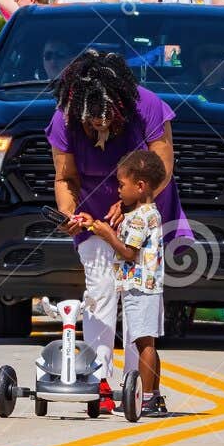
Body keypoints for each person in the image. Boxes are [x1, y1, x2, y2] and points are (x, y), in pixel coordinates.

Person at [52, 49, 181, 395]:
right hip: (93, 215)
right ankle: (101, 380)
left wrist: (129, 205)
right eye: (92, 120)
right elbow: (65, 179)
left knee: (137, 301)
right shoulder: (64, 118)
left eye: (108, 117)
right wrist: (70, 215)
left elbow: (163, 168)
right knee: (100, 290)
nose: (100, 125)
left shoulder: (148, 106)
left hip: (142, 208)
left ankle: (142, 391)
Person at [85, 149, 168, 418]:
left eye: (122, 185)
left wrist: (108, 235)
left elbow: (128, 252)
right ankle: (152, 398)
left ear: (140, 186)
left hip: (141, 288)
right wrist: (94, 226)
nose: (118, 191)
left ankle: (145, 398)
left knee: (144, 343)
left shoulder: (143, 215)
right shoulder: (140, 213)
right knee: (146, 343)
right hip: (141, 288)